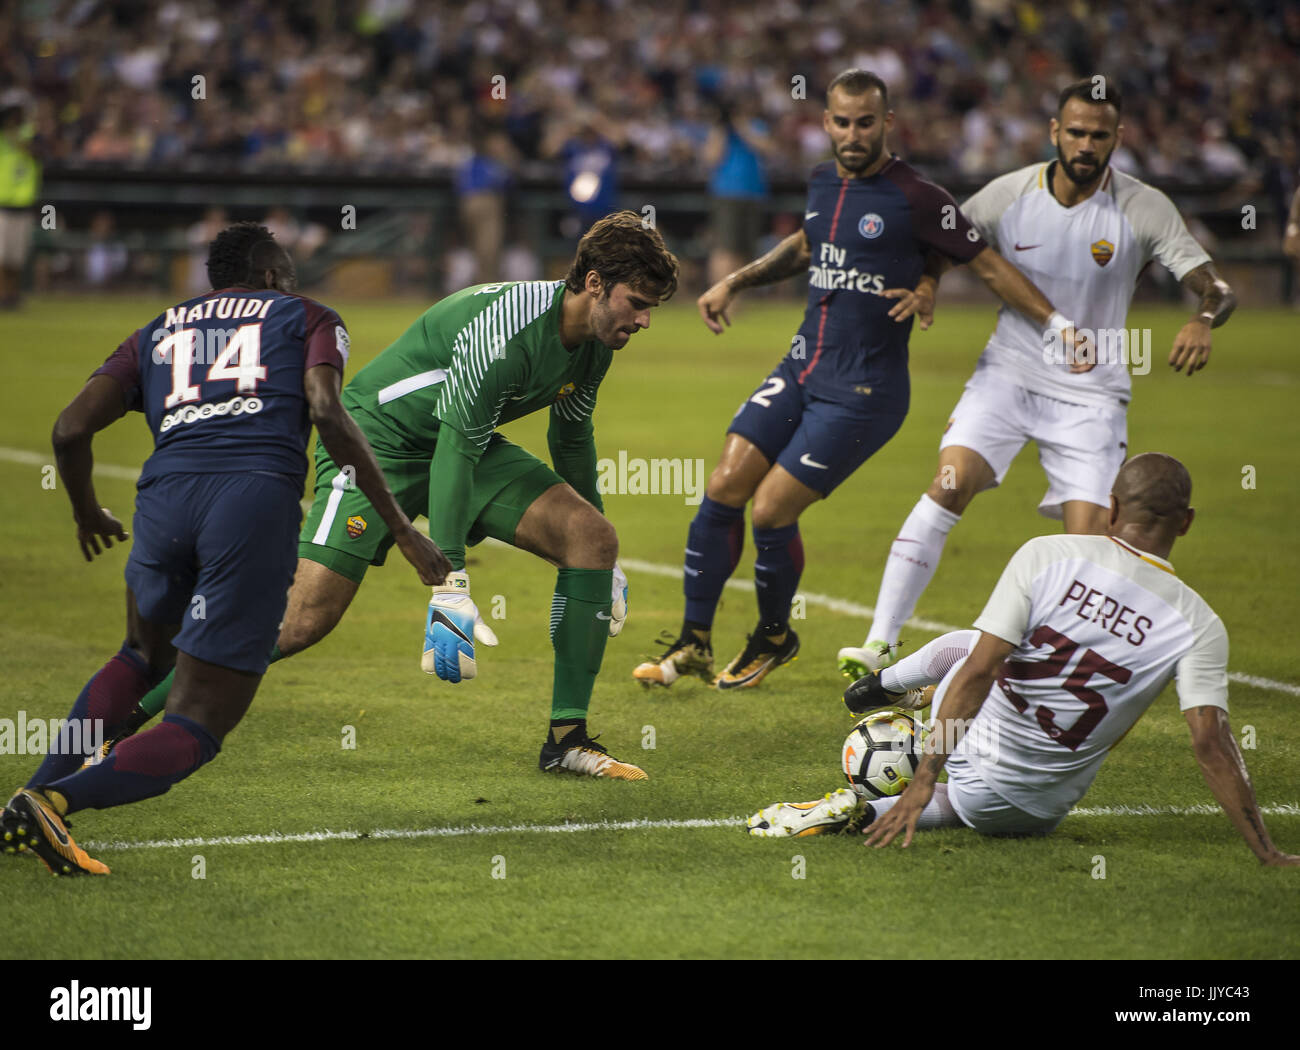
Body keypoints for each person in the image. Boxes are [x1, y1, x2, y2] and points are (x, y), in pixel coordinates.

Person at [112, 211, 679, 782]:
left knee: (591, 539)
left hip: (462, 438)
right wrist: (451, 583)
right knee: (302, 621)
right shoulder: (507, 327)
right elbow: (453, 452)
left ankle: (566, 741)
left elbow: (571, 436)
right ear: (594, 283)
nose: (646, 319)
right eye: (638, 302)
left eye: (653, 306)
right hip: (375, 442)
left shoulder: (597, 344)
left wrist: (605, 563)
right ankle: (125, 718)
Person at [0, 222, 447, 876]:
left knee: (138, 657)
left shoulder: (157, 328)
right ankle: (55, 800)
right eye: (289, 273)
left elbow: (69, 428)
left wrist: (86, 511)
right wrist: (402, 530)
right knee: (200, 720)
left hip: (163, 499)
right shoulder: (310, 315)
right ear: (270, 276)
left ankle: (28, 796)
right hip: (253, 503)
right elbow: (325, 410)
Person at [633, 69, 1081, 692]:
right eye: (841, 122)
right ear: (826, 123)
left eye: (865, 122)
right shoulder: (822, 182)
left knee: (769, 510)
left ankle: (773, 635)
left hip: (864, 393)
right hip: (801, 365)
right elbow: (806, 246)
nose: (852, 134)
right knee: (725, 483)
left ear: (888, 123)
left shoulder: (918, 197)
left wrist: (1055, 324)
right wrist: (735, 281)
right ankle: (694, 641)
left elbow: (984, 262)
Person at [837, 80, 1237, 681]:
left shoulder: (1143, 206)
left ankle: (1056, 667)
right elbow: (946, 242)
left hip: (1093, 392)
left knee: (1092, 541)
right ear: (1055, 132)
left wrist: (1204, 317)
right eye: (1075, 132)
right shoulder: (1012, 193)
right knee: (949, 482)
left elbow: (1216, 285)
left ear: (1117, 139)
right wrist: (928, 283)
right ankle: (881, 641)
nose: (1085, 144)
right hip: (1010, 371)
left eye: (1099, 135)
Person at [749, 454, 1299, 868]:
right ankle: (865, 805)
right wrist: (1267, 851)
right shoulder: (1199, 623)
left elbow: (981, 671)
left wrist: (922, 781)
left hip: (966, 769)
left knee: (971, 646)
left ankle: (881, 692)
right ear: (1186, 523)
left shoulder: (1048, 555)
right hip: (1040, 812)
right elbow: (1211, 744)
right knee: (985, 789)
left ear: (1111, 509)